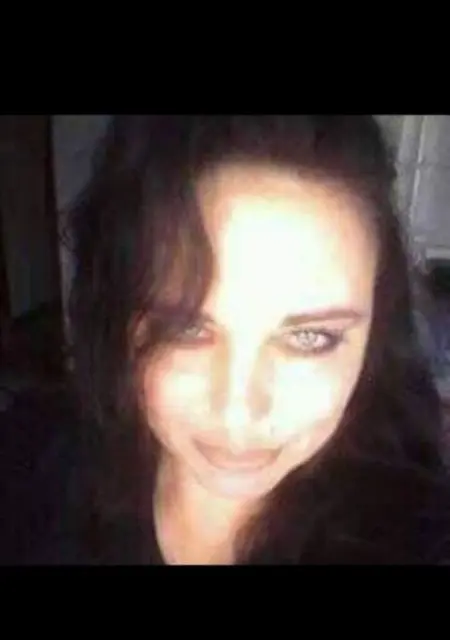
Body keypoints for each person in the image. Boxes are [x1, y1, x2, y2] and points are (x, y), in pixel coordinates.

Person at [2, 115, 450, 564]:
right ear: (120, 316)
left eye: (310, 337)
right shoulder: (33, 463)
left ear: (375, 331)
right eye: (186, 329)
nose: (239, 412)